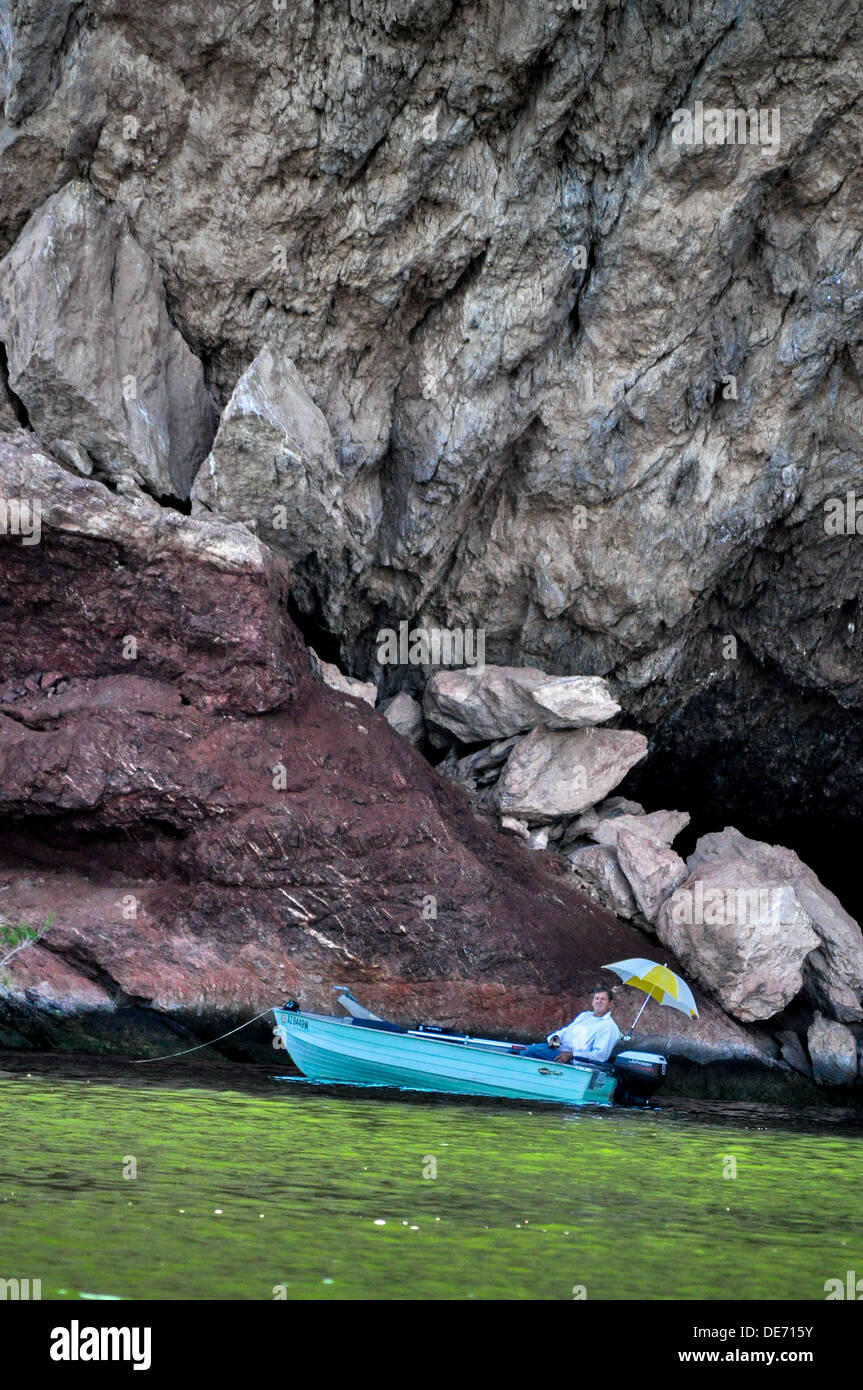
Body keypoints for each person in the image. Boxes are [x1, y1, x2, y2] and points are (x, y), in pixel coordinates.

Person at [513, 985, 622, 1064]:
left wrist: (571, 1054)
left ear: (610, 1004)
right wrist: (555, 1039)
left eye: (603, 999)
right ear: (592, 1001)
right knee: (518, 1050)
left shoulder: (609, 1027)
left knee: (529, 1052)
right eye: (596, 998)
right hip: (557, 1049)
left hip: (573, 1061)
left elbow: (600, 1056)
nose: (599, 1002)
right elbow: (565, 1031)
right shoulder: (584, 1016)